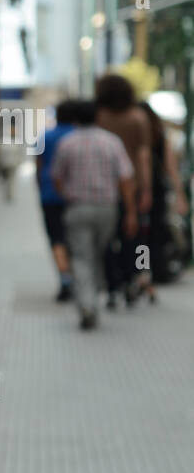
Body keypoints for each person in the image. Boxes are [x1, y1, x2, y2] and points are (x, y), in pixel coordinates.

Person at [49, 99, 138, 330]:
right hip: (107, 208)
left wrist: (67, 193)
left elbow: (56, 175)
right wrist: (130, 211)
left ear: (76, 119)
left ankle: (87, 303)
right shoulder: (111, 142)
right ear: (97, 117)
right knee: (97, 254)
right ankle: (92, 302)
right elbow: (125, 177)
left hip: (78, 207)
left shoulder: (67, 144)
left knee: (81, 256)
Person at [93, 74, 150, 308]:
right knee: (135, 237)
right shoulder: (138, 117)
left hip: (103, 186)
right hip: (133, 184)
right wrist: (146, 189)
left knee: (107, 239)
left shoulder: (99, 117)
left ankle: (112, 285)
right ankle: (135, 278)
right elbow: (143, 155)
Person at [138, 100, 189, 289]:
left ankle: (141, 270)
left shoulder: (141, 136)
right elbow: (171, 168)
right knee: (154, 232)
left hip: (140, 190)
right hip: (156, 191)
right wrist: (180, 195)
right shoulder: (159, 135)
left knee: (141, 233)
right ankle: (152, 270)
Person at [35, 98, 82, 302]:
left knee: (56, 238)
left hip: (50, 195)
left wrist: (41, 189)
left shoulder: (44, 137)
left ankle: (64, 278)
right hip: (76, 195)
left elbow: (38, 166)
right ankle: (76, 277)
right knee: (74, 237)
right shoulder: (79, 136)